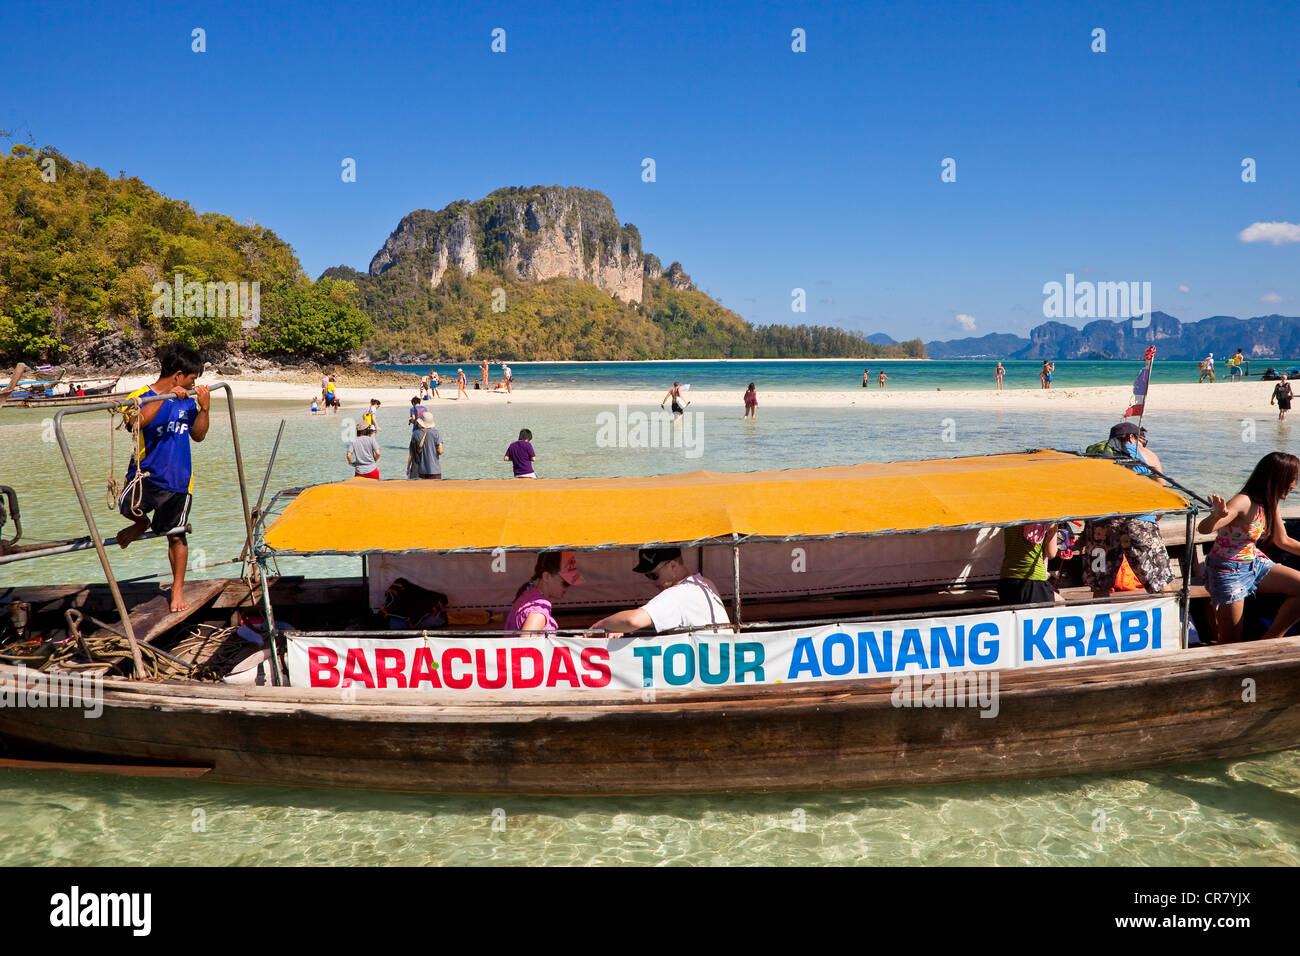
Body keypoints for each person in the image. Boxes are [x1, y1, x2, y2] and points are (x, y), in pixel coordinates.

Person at [115, 344, 210, 613]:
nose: (194, 385)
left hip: (179, 481)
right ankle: (141, 523)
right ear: (178, 376)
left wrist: (203, 409)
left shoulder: (187, 401)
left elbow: (199, 435)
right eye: (193, 380)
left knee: (176, 537)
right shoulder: (139, 396)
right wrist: (166, 396)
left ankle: (177, 590)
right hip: (145, 475)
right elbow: (137, 423)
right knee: (125, 505)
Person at [1199, 452, 1300, 642]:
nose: (1294, 485)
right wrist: (1216, 516)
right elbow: (1204, 529)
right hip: (1228, 569)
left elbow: (1283, 540)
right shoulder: (1242, 502)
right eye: (1292, 479)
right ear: (1278, 477)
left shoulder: (1270, 501)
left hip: (1255, 562)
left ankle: (1268, 643)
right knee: (1230, 641)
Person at [1081, 422, 1173, 597]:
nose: (1143, 444)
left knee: (1100, 585)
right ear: (1132, 437)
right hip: (1138, 522)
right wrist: (1154, 519)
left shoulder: (1095, 455)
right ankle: (1172, 621)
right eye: (1142, 440)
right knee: (1159, 580)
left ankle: (1101, 622)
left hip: (1100, 525)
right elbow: (1163, 493)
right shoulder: (1146, 455)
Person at [589, 547, 733, 638]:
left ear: (672, 565)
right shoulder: (705, 583)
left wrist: (600, 625)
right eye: (647, 576)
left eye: (654, 575)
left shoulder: (678, 594)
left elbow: (633, 620)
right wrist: (619, 626)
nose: (651, 582)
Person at [506, 552, 583, 634]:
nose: (568, 587)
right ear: (546, 577)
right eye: (565, 583)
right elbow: (526, 643)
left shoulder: (528, 594)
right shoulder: (539, 607)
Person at [997, 522, 1059, 605]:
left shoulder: (1011, 516)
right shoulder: (1047, 521)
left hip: (1007, 579)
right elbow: (1051, 554)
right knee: (1055, 608)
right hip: (1032, 579)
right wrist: (1054, 529)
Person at [407, 410, 444, 479]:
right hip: (435, 470)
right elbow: (440, 451)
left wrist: (408, 467)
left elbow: (411, 454)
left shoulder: (415, 434)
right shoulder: (436, 433)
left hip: (421, 471)